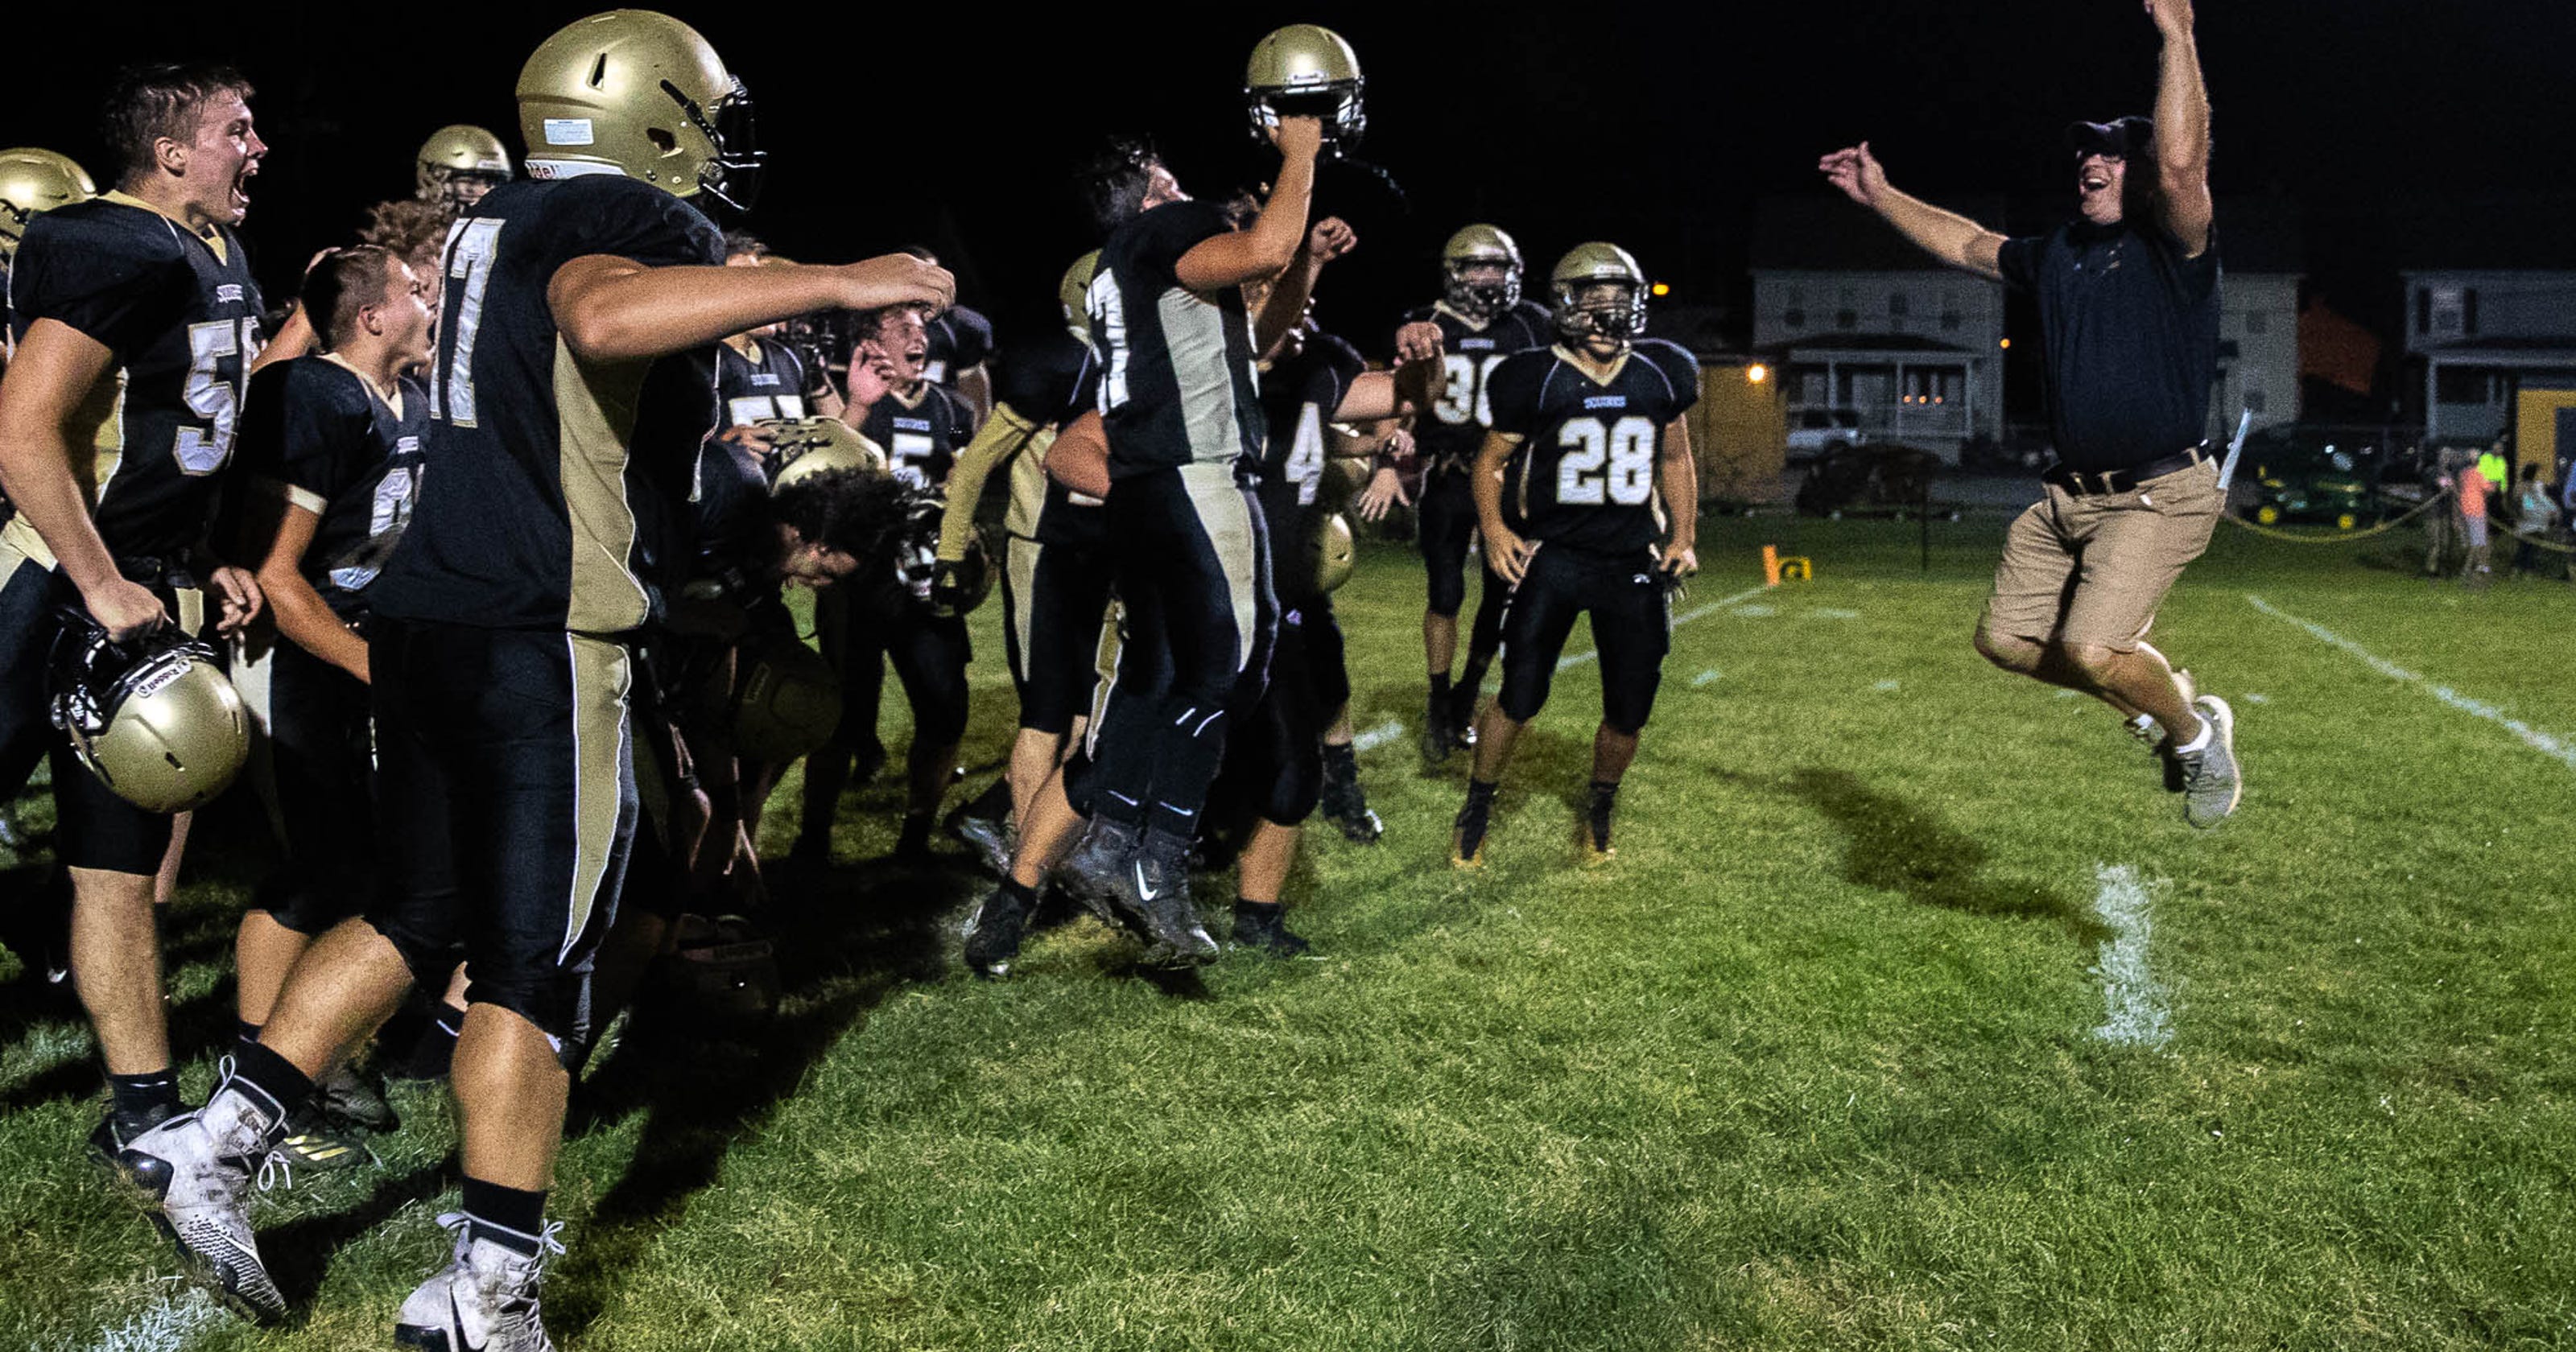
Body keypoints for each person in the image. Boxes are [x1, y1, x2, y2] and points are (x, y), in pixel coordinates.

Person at [113, 14, 951, 1338]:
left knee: (416, 909)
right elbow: (607, 315)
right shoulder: (629, 217)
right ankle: (485, 1290)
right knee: (540, 969)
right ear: (658, 114)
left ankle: (213, 1136)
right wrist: (841, 282)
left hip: (437, 616)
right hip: (544, 629)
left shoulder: (504, 214)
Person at [1817, 0, 2241, 829]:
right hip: (2067, 500)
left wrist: (2176, 35)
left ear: (2142, 170)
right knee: (2006, 642)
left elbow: (2186, 169)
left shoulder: (2173, 247)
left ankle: (2194, 735)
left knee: (2091, 648)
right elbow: (1965, 242)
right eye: (2084, 152)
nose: (2090, 162)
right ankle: (2160, 707)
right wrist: (1880, 195)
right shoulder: (2056, 257)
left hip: (2157, 493)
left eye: (2112, 155)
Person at [0, 62, 270, 1175]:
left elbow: (171, 438)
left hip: (142, 583)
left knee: (116, 859)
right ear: (170, 152)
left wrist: (211, 559)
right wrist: (101, 582)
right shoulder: (108, 241)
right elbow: (23, 433)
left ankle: (145, 1109)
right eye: (236, 131)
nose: (257, 148)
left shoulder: (214, 246)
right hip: (54, 584)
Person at [229, 245, 435, 1169]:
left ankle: (317, 1055)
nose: (428, 302)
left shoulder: (410, 396)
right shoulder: (317, 394)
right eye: (414, 291)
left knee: (373, 865)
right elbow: (278, 574)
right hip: (296, 646)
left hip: (360, 646)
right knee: (318, 867)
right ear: (371, 317)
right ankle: (258, 1080)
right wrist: (374, 670)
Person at [1450, 245, 1699, 869]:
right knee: (1521, 693)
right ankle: (1478, 802)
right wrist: (1495, 528)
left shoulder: (1663, 370)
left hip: (1632, 563)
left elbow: (1675, 460)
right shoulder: (1535, 374)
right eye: (1596, 304)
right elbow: (1490, 462)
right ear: (1568, 307)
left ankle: (1601, 804)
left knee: (1630, 704)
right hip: (1555, 558)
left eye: (1621, 303)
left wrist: (1683, 538)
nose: (1610, 317)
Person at [794, 302, 979, 862]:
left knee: (945, 709)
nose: (917, 336)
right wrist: (853, 405)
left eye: (921, 329)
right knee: (840, 717)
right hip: (859, 583)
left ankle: (917, 833)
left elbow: (961, 479)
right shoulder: (853, 402)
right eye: (902, 328)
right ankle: (813, 837)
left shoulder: (952, 407)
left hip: (922, 583)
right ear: (871, 343)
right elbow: (820, 468)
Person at [1378, 225, 1554, 763]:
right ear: (1454, 272)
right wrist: (1390, 458)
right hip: (1451, 475)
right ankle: (1437, 700)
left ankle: (1466, 693)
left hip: (1510, 480)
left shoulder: (1533, 323)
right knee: (1446, 593)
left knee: (1502, 597)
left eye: (1498, 268)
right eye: (1478, 267)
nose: (1489, 278)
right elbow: (1394, 394)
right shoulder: (1426, 321)